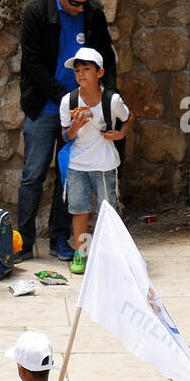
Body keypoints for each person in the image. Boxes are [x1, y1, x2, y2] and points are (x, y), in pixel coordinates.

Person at [17, 0, 116, 262]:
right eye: (75, 3)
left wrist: (107, 101)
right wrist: (66, 101)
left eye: (84, 3)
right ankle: (23, 240)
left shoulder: (92, 13)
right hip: (44, 107)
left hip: (83, 112)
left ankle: (60, 239)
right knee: (32, 175)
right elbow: (33, 63)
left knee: (68, 176)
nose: (80, 8)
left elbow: (106, 57)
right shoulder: (37, 13)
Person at [59, 47, 133, 275]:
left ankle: (110, 254)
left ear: (99, 72)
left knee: (108, 210)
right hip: (77, 165)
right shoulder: (68, 101)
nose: (81, 74)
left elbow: (128, 118)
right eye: (77, 70)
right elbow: (65, 136)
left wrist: (120, 134)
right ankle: (81, 254)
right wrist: (75, 127)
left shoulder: (112, 101)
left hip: (104, 164)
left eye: (86, 69)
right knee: (79, 210)